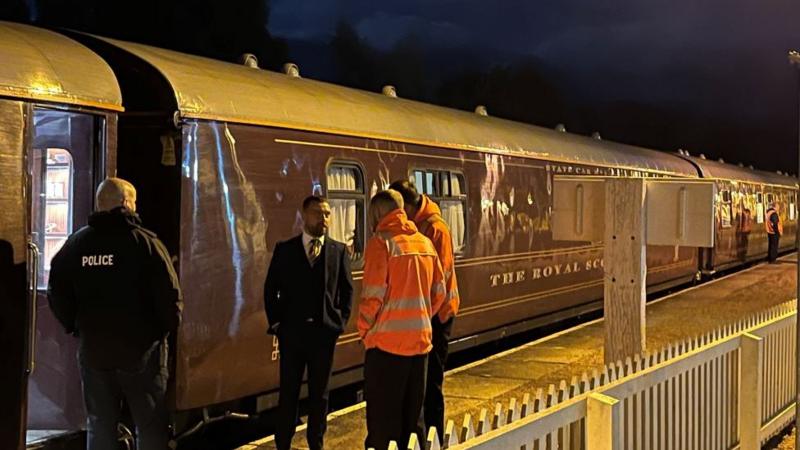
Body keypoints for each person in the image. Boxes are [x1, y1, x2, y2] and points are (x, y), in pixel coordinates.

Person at [47, 177, 182, 450]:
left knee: (99, 425)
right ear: (126, 204)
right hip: (141, 353)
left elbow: (56, 291)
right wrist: (163, 331)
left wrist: (75, 325)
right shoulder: (146, 244)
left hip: (94, 351)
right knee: (150, 425)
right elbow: (170, 298)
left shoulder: (76, 244)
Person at [264, 195, 354, 450]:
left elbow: (347, 291)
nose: (323, 218)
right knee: (288, 392)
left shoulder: (338, 251)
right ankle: (283, 442)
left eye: (327, 214)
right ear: (304, 215)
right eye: (318, 213)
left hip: (324, 335)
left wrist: (340, 322)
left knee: (320, 395)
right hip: (292, 335)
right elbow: (271, 289)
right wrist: (277, 324)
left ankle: (317, 442)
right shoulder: (286, 250)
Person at [358, 190, 446, 449]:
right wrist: (419, 319)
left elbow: (372, 297)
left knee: (384, 423)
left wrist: (364, 331)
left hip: (385, 348)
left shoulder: (381, 244)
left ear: (377, 213)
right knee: (412, 420)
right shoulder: (424, 243)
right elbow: (439, 293)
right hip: (420, 347)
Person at [389, 179, 460, 441]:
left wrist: (424, 318)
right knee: (420, 385)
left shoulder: (435, 229)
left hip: (437, 317)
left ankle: (435, 438)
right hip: (425, 316)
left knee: (432, 384)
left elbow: (439, 281)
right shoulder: (418, 225)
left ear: (407, 205)